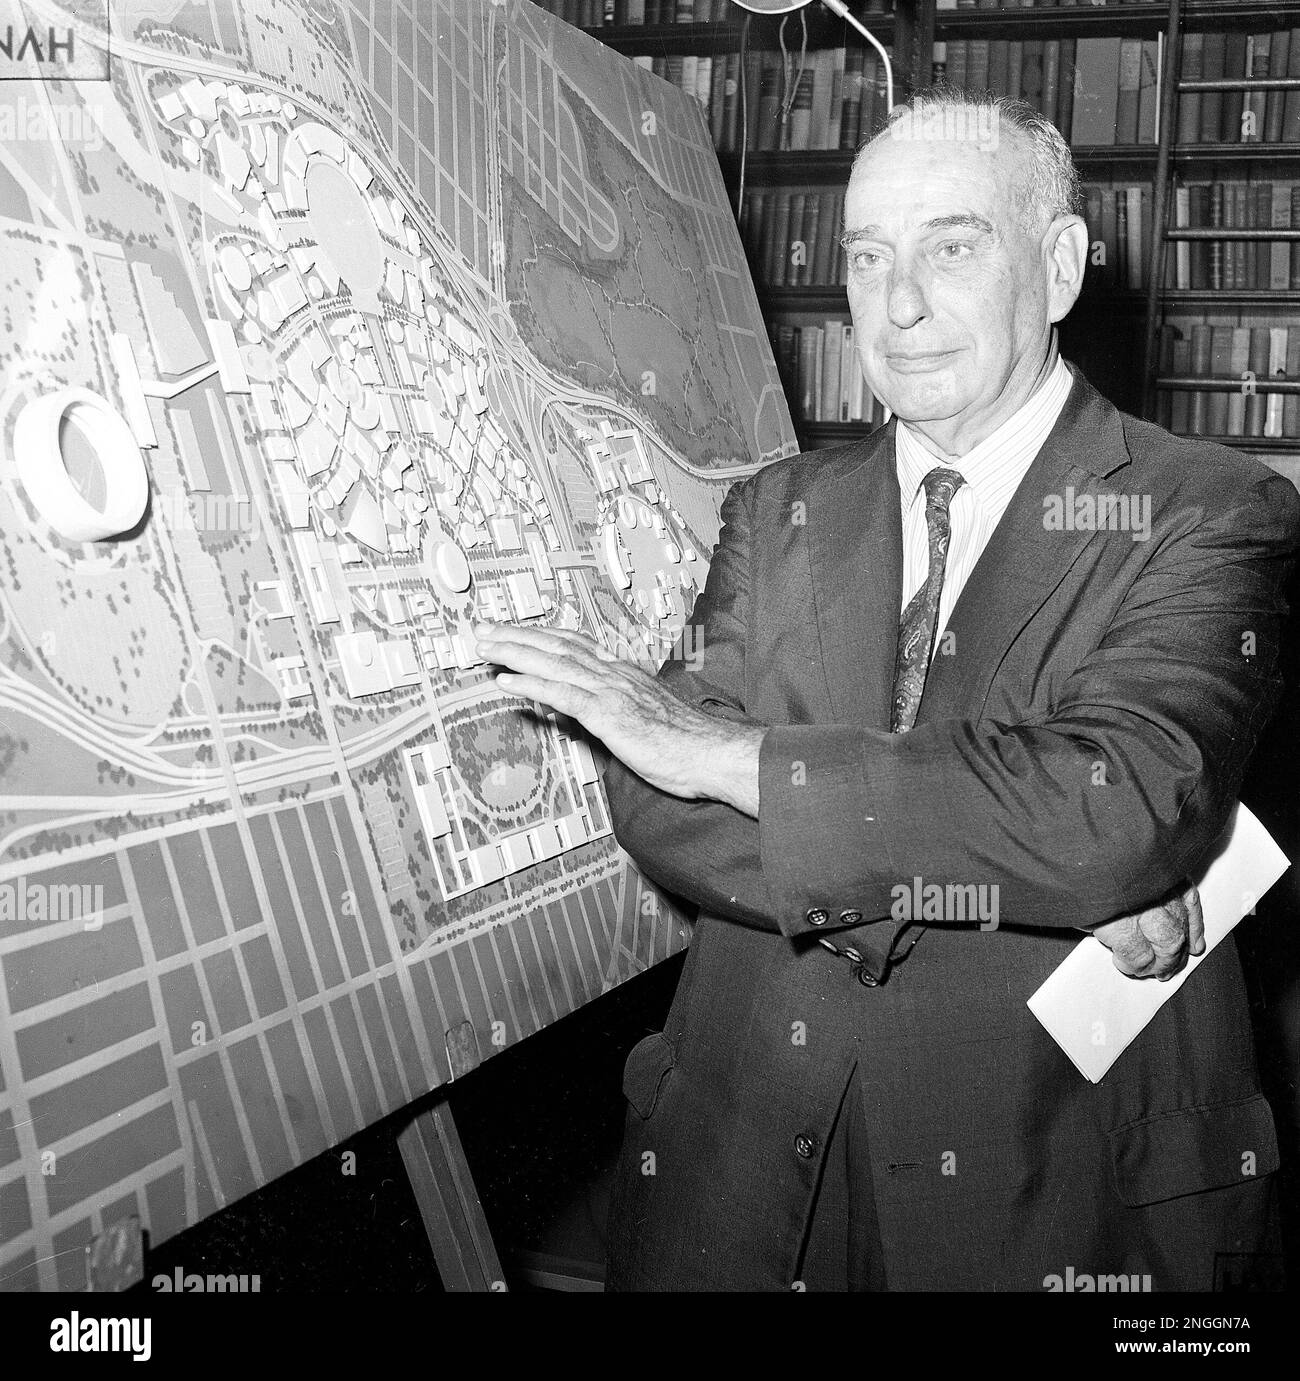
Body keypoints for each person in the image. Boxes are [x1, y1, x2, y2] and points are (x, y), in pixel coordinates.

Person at [473, 89, 1300, 1291]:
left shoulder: (1206, 508)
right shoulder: (777, 508)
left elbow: (1115, 808)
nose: (897, 306)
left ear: (1059, 266)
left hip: (1050, 1193)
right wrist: (1029, 887)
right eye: (868, 258)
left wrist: (731, 760)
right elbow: (655, 808)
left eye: (952, 248)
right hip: (737, 1175)